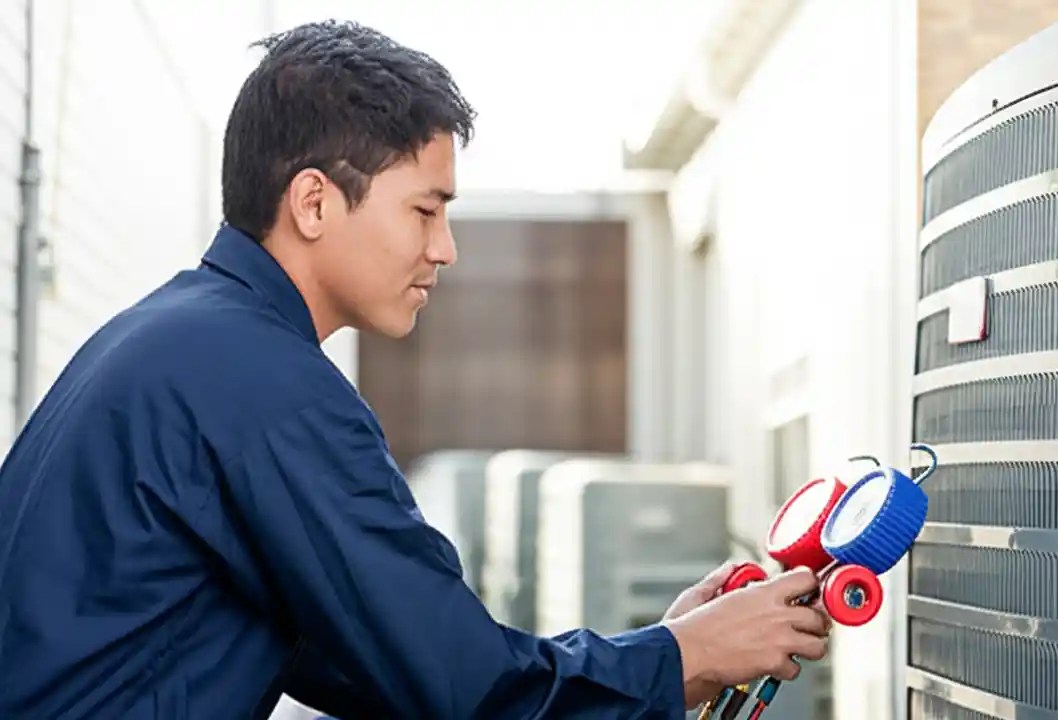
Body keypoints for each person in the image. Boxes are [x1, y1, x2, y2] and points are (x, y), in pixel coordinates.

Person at [0, 19, 831, 720]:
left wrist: (664, 651)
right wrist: (681, 658)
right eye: (425, 209)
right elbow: (461, 690)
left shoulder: (179, 341)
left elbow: (386, 664)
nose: (445, 248)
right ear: (315, 202)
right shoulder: (264, 385)